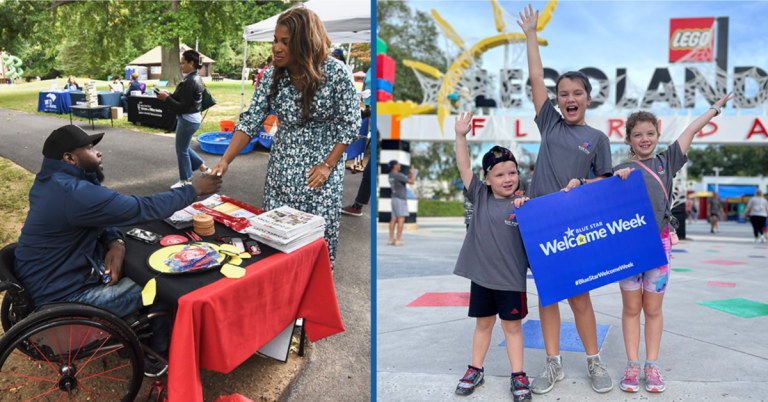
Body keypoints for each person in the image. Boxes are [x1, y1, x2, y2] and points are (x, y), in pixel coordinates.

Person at [13, 125, 223, 377]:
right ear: (69, 158)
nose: (98, 153)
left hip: (45, 281)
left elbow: (100, 213)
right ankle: (158, 356)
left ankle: (139, 333)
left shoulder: (52, 181)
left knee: (139, 265)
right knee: (162, 285)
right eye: (90, 148)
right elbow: (138, 208)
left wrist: (116, 242)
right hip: (63, 299)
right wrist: (194, 190)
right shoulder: (73, 191)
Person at [210, 6, 361, 268]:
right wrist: (225, 161)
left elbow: (350, 124)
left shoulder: (336, 73)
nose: (277, 48)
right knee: (275, 242)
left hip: (320, 175)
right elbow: (251, 120)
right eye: (275, 41)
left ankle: (311, 302)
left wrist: (328, 165)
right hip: (281, 172)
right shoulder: (272, 75)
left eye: (285, 42)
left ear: (304, 42)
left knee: (313, 244)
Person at [514, 5, 614, 394]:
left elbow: (604, 187)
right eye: (562, 94)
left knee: (581, 299)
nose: (569, 98)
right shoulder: (550, 122)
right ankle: (552, 364)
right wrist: (531, 35)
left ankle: (594, 361)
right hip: (540, 223)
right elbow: (536, 75)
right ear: (556, 101)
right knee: (548, 298)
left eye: (577, 93)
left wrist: (582, 186)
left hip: (575, 228)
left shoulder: (598, 139)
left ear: (588, 98)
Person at [613, 93, 734, 393]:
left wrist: (714, 110)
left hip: (659, 248)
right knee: (631, 309)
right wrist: (616, 176)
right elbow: (595, 198)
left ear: (658, 134)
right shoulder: (619, 169)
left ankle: (651, 365)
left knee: (652, 310)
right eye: (637, 135)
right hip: (629, 250)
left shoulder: (667, 161)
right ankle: (632, 364)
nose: (645, 139)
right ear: (628, 139)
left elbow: (690, 130)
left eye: (650, 133)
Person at [452, 113, 531, 401]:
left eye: (512, 172)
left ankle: (518, 374)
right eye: (499, 174)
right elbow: (463, 165)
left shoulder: (524, 206)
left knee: (512, 328)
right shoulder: (480, 196)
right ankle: (476, 368)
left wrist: (527, 208)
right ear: (486, 179)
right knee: (483, 324)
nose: (507, 179)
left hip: (511, 282)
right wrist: (461, 136)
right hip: (483, 279)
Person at [156, 50, 211, 189]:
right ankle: (203, 168)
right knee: (183, 147)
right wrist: (170, 95)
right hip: (192, 119)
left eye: (183, 63)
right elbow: (185, 100)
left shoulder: (190, 80)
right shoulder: (194, 77)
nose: (181, 65)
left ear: (191, 63)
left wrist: (166, 98)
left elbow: (182, 107)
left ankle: (185, 181)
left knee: (181, 150)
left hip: (188, 120)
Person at [387, 160, 415, 246]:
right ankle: (398, 240)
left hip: (394, 198)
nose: (400, 166)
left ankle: (391, 239)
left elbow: (405, 178)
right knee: (401, 219)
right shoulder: (399, 175)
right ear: (395, 166)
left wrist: (409, 174)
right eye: (398, 164)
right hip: (400, 199)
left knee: (393, 219)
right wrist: (413, 173)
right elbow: (412, 182)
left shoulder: (391, 175)